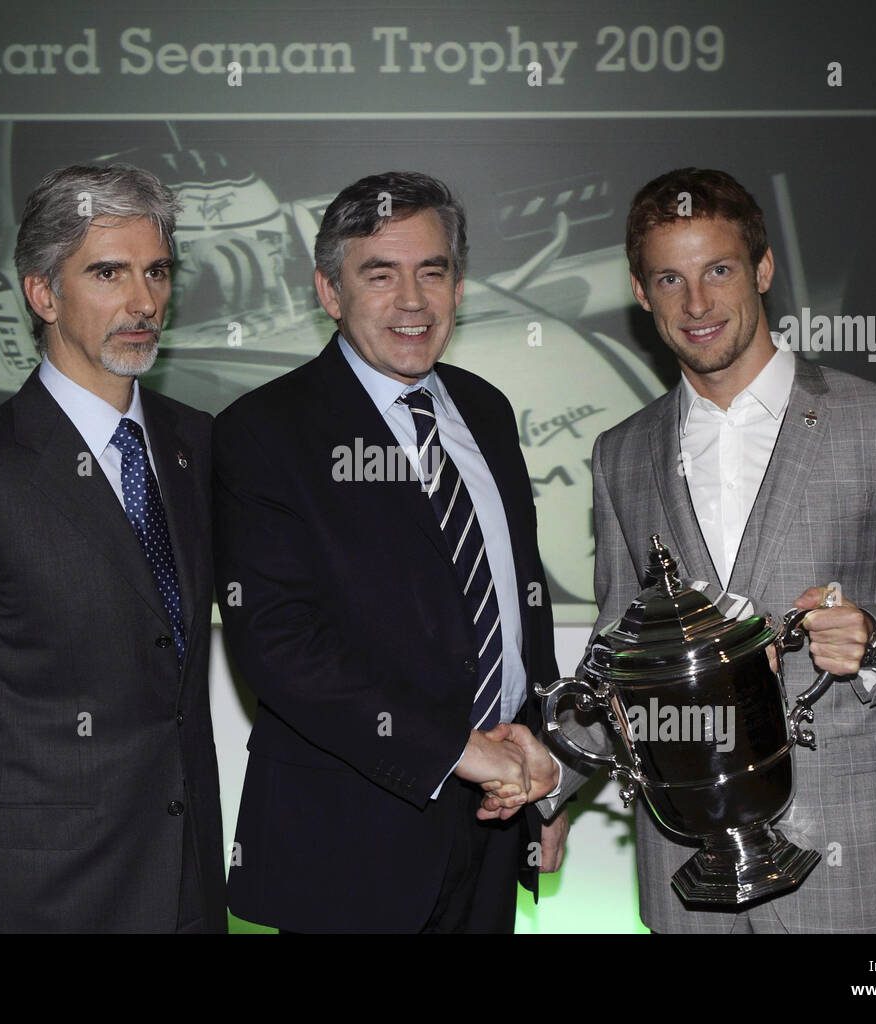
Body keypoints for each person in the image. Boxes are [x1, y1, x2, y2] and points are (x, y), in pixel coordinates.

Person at [529, 167, 876, 933]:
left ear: (762, 268)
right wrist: (549, 772)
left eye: (718, 270)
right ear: (640, 291)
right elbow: (619, 653)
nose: (695, 304)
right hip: (685, 869)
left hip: (850, 857)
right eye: (669, 278)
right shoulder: (621, 453)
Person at [0, 164, 225, 932]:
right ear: (41, 293)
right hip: (30, 903)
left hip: (186, 894)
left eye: (156, 271)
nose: (143, 302)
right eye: (108, 273)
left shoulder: (198, 447)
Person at [214, 171, 566, 933]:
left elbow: (516, 611)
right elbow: (278, 643)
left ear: (458, 287)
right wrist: (458, 751)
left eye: (431, 272)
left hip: (497, 824)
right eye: (380, 275)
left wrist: (544, 779)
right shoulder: (264, 432)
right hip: (349, 846)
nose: (412, 302)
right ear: (330, 292)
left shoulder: (487, 410)